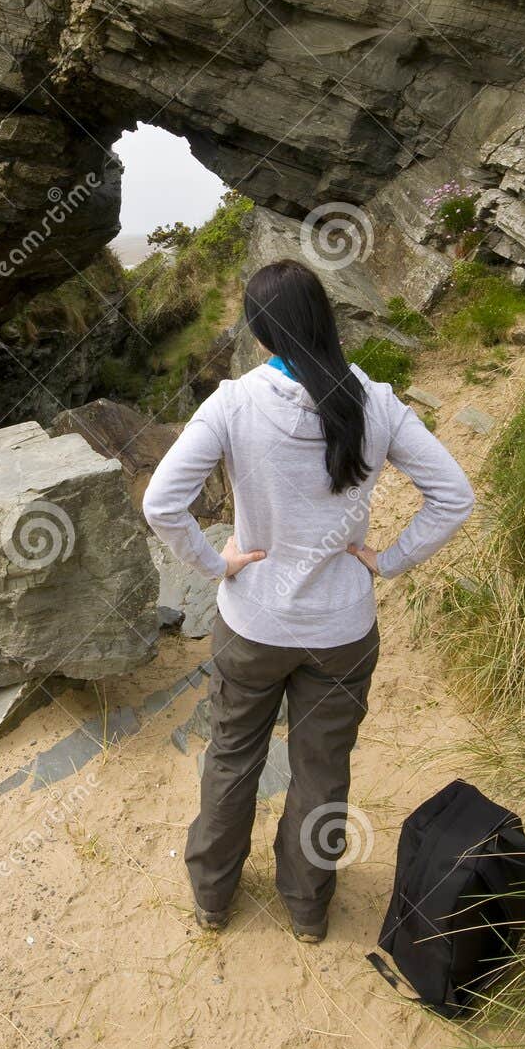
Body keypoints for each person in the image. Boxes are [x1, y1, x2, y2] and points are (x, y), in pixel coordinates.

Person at [142, 258, 475, 944]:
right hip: (341, 629)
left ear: (259, 332)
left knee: (232, 758)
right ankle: (306, 909)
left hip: (253, 622)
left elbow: (161, 503)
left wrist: (215, 564)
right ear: (324, 313)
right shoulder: (375, 401)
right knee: (322, 774)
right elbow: (454, 496)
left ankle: (212, 896)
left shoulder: (233, 403)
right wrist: (389, 559)